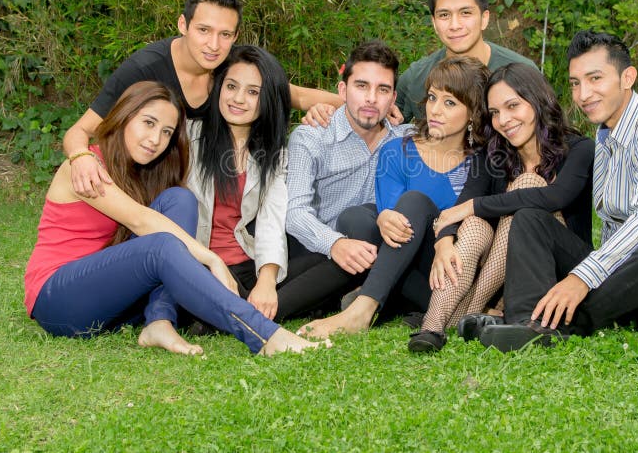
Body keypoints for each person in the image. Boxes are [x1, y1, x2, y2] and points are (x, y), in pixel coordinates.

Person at [25, 81, 321, 356]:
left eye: (167, 132)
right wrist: (212, 259)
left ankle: (159, 319)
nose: (156, 139)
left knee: (180, 200)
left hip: (111, 304)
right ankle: (264, 334)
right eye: (148, 123)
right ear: (124, 117)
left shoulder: (143, 174)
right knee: (162, 245)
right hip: (58, 300)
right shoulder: (86, 167)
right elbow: (141, 222)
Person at [473, 31, 638, 353]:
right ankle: (523, 323)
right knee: (531, 218)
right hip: (622, 286)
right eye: (575, 83)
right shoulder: (604, 138)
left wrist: (582, 277)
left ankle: (553, 327)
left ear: (627, 77)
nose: (583, 93)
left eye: (595, 78)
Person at [64, 0, 342, 198]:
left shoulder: (230, 66)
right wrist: (80, 157)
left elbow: (298, 95)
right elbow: (80, 130)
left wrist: (371, 107)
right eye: (204, 30)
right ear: (183, 24)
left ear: (235, 36)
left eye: (225, 35)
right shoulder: (144, 69)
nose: (213, 45)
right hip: (147, 183)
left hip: (209, 185)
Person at [297, 56, 490, 339]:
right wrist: (386, 215)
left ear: (473, 113)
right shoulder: (398, 149)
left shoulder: (481, 164)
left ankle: (368, 306)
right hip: (405, 265)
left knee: (415, 201)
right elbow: (390, 214)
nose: (435, 110)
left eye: (450, 103)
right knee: (356, 219)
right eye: (433, 97)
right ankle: (374, 305)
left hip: (452, 275)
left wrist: (443, 240)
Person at [408, 63, 594, 352]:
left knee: (527, 183)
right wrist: (444, 243)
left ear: (537, 101)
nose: (503, 120)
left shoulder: (579, 149)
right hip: (501, 275)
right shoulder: (493, 154)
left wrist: (474, 205)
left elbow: (555, 198)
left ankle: (470, 309)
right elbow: (457, 211)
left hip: (559, 268)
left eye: (512, 106)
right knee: (475, 225)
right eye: (495, 113)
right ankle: (431, 328)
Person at [276, 40, 411, 320]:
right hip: (315, 250)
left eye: (382, 89)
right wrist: (335, 244)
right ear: (342, 90)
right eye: (361, 86)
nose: (371, 98)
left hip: (373, 248)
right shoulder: (312, 136)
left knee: (365, 225)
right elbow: (295, 213)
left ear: (393, 98)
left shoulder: (406, 141)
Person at [301, 0, 535, 126]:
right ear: (433, 23)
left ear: (484, 18)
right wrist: (325, 110)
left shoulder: (520, 72)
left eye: (465, 13)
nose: (455, 25)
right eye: (444, 15)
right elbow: (375, 110)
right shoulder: (418, 76)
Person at [187, 45, 291, 321]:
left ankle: (238, 310)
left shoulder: (273, 153)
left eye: (253, 92)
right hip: (196, 263)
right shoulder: (189, 137)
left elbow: (272, 220)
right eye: (231, 86)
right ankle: (239, 312)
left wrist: (267, 281)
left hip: (244, 263)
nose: (238, 99)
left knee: (328, 263)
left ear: (268, 98)